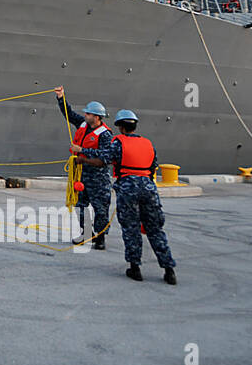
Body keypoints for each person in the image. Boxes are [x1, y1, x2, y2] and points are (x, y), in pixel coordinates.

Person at [75, 109, 177, 284]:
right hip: (149, 188)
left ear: (121, 127)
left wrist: (82, 154)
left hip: (128, 187)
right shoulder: (148, 143)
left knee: (131, 229)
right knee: (155, 229)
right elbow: (154, 166)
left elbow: (104, 157)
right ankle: (169, 270)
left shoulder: (118, 142)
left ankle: (135, 268)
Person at [54, 87, 112, 249]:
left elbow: (105, 157)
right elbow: (69, 114)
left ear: (97, 117)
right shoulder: (82, 125)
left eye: (88, 114)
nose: (85, 115)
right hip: (81, 175)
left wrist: (83, 151)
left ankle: (100, 238)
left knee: (100, 208)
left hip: (98, 178)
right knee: (80, 206)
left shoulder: (105, 134)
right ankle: (87, 233)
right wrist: (61, 98)